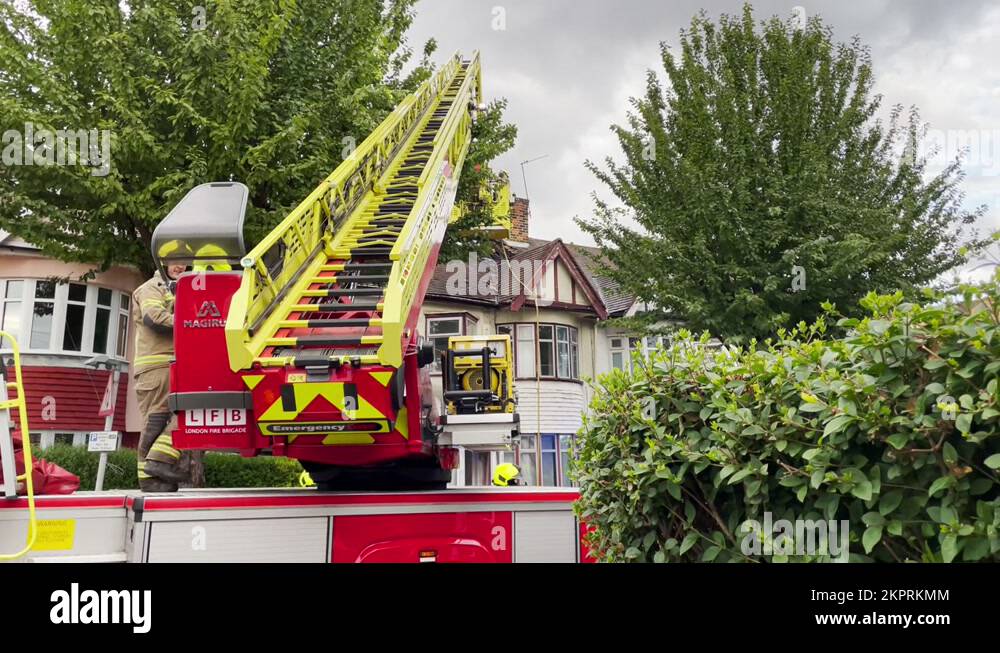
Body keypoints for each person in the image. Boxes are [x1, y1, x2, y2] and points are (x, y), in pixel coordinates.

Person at [134, 240, 204, 492]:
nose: (179, 265)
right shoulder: (153, 287)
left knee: (166, 419)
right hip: (156, 367)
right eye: (174, 261)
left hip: (170, 365)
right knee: (161, 420)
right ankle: (155, 468)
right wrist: (191, 322)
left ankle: (152, 478)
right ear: (162, 262)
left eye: (183, 261)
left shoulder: (179, 290)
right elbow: (154, 318)